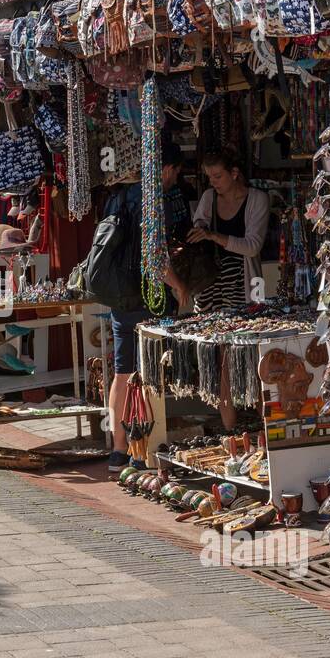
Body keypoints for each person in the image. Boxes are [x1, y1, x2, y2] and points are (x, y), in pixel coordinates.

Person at [105, 131, 193, 475]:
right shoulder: (153, 200)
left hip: (118, 296)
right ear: (167, 168)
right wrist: (179, 286)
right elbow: (154, 258)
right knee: (150, 372)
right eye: (175, 172)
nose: (175, 179)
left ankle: (118, 449)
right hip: (146, 295)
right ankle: (146, 451)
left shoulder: (119, 196)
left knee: (122, 373)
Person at [187, 148, 270, 429]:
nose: (213, 182)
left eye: (218, 176)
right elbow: (197, 229)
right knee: (220, 356)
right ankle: (230, 429)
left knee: (252, 350)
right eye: (209, 176)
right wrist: (199, 231)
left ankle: (263, 423)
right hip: (212, 283)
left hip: (244, 282)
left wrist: (213, 235)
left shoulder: (257, 199)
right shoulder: (209, 198)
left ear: (234, 173)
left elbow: (252, 246)